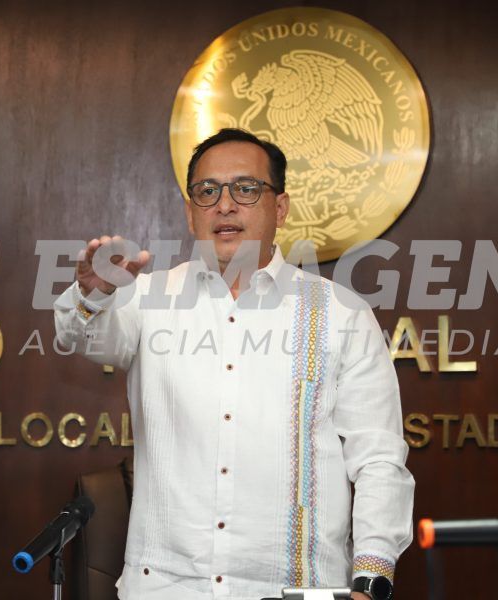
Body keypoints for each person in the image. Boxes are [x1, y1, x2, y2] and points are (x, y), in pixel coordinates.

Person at [54, 128, 414, 600]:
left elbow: (379, 459)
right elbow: (78, 336)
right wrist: (92, 294)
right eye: (207, 192)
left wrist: (372, 577)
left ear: (280, 208)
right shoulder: (147, 299)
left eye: (245, 189)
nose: (224, 205)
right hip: (166, 589)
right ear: (190, 213)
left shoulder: (340, 314)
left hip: (297, 589)